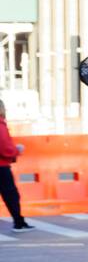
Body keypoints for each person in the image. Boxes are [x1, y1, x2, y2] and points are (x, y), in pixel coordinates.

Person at [0, 98, 32, 231]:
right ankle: (18, 222)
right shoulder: (0, 126)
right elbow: (4, 147)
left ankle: (19, 222)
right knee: (11, 195)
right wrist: (16, 150)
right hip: (1, 167)